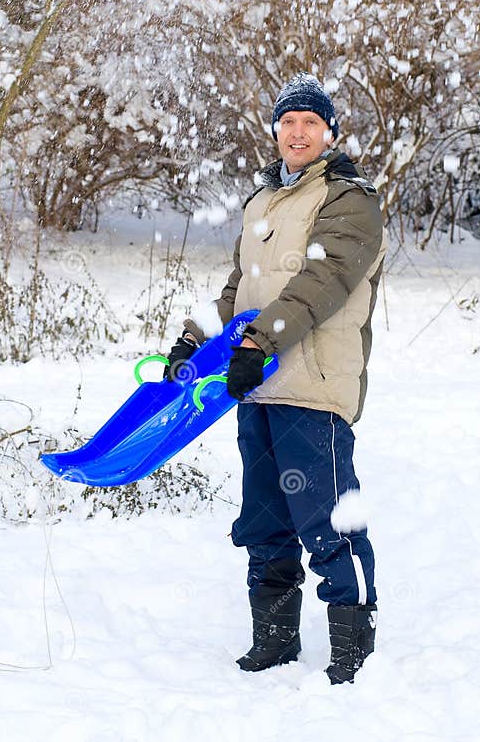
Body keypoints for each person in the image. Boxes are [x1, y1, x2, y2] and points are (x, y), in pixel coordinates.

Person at [164, 72, 387, 685]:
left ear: (330, 133)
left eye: (310, 122)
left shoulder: (349, 199)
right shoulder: (262, 201)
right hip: (256, 383)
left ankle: (353, 638)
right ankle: (276, 638)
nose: (298, 132)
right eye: (288, 121)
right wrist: (198, 335)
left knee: (327, 513)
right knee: (263, 517)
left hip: (313, 382)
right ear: (275, 132)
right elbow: (243, 288)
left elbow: (322, 282)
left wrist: (262, 339)